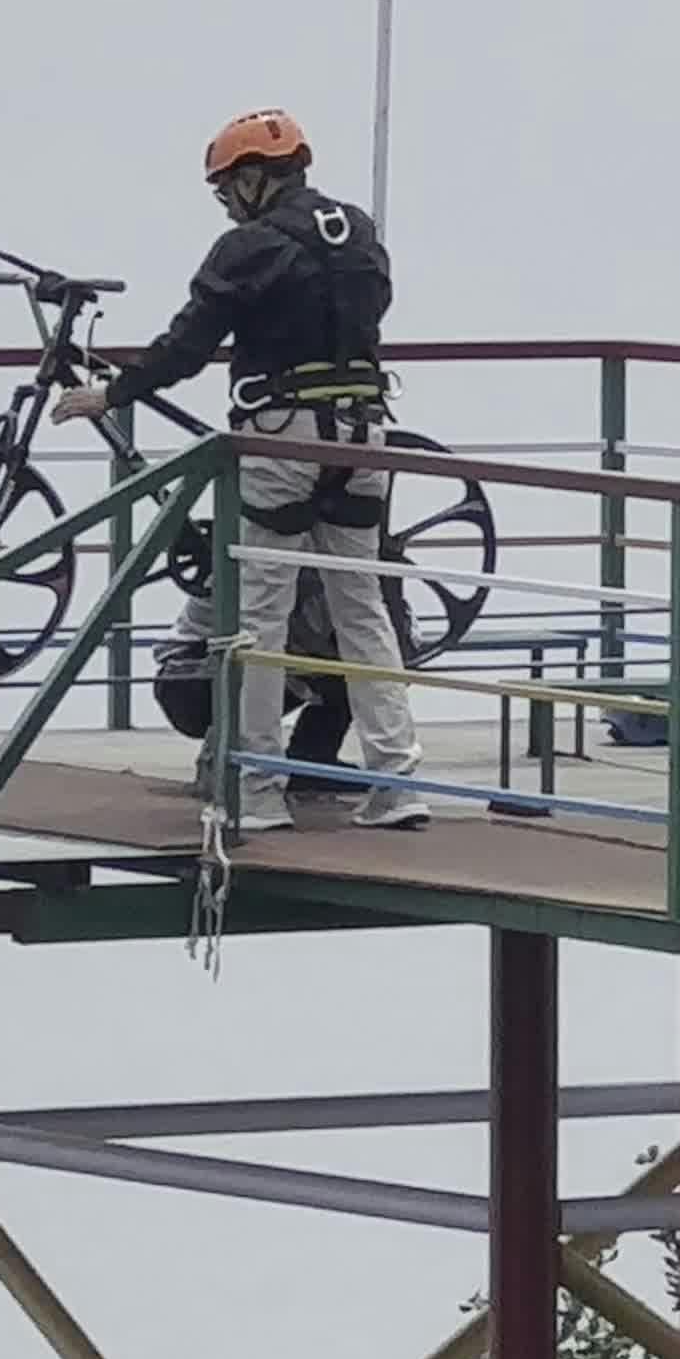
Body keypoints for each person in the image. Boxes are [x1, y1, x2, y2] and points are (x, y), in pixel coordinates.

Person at [54, 108, 425, 830]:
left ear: (255, 179)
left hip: (282, 441)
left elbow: (188, 346)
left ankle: (256, 791)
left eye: (227, 188)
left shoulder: (247, 247)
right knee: (362, 609)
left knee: (259, 617)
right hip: (364, 439)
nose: (224, 202)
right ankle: (397, 783)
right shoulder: (358, 233)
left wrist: (114, 391)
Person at [152, 566, 360, 796]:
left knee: (349, 668)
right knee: (256, 660)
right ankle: (227, 765)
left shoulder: (306, 575)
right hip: (186, 678)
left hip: (224, 668)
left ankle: (311, 762)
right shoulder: (252, 570)